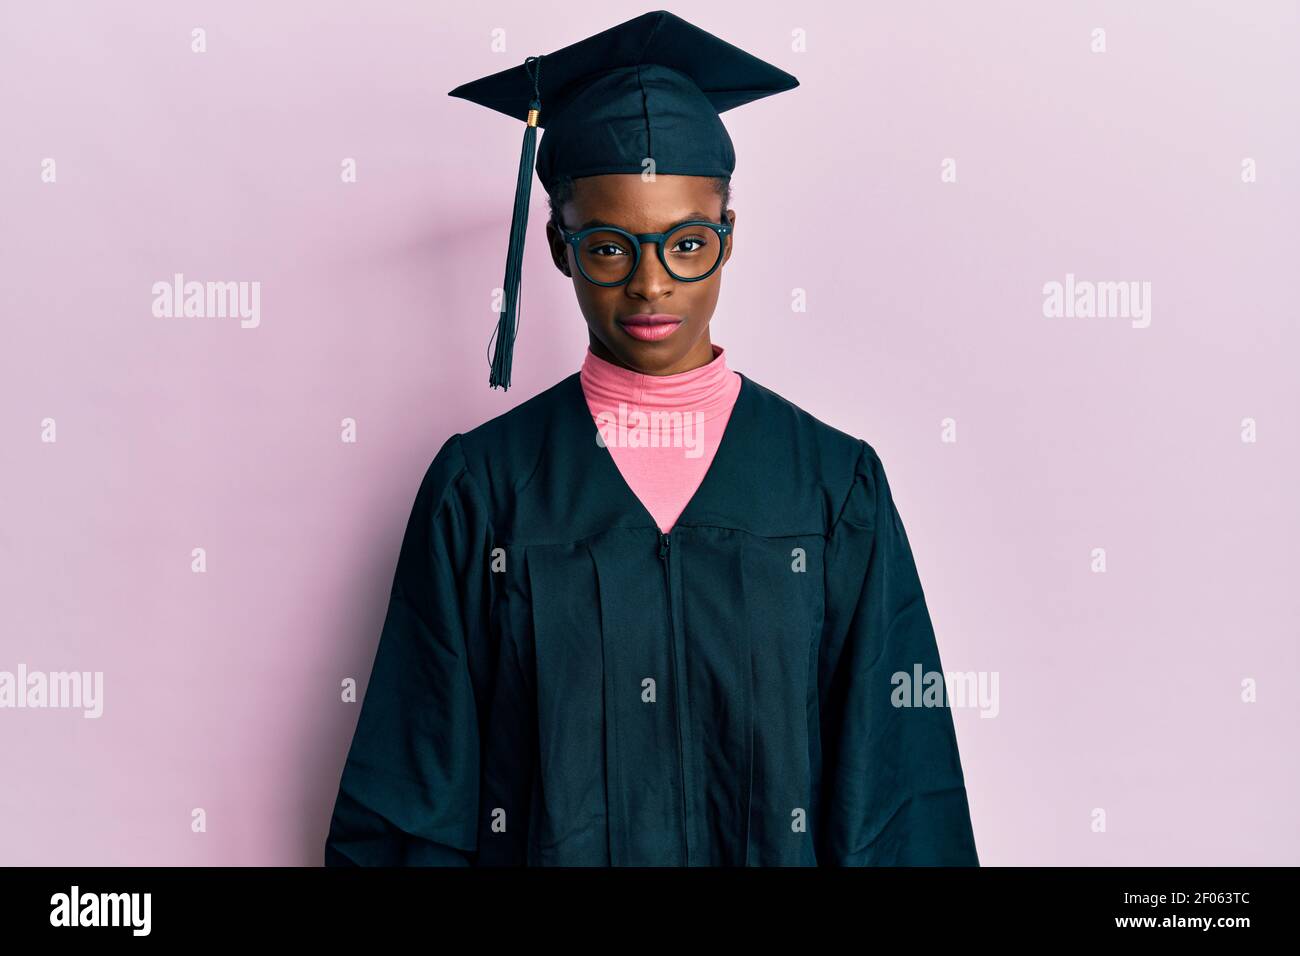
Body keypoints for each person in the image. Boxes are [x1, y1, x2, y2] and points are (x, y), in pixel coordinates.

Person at [324, 10, 979, 866]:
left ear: (728, 240)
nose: (651, 281)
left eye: (688, 243)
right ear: (560, 248)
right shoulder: (482, 491)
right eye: (608, 248)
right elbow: (415, 801)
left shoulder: (832, 487)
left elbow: (898, 798)